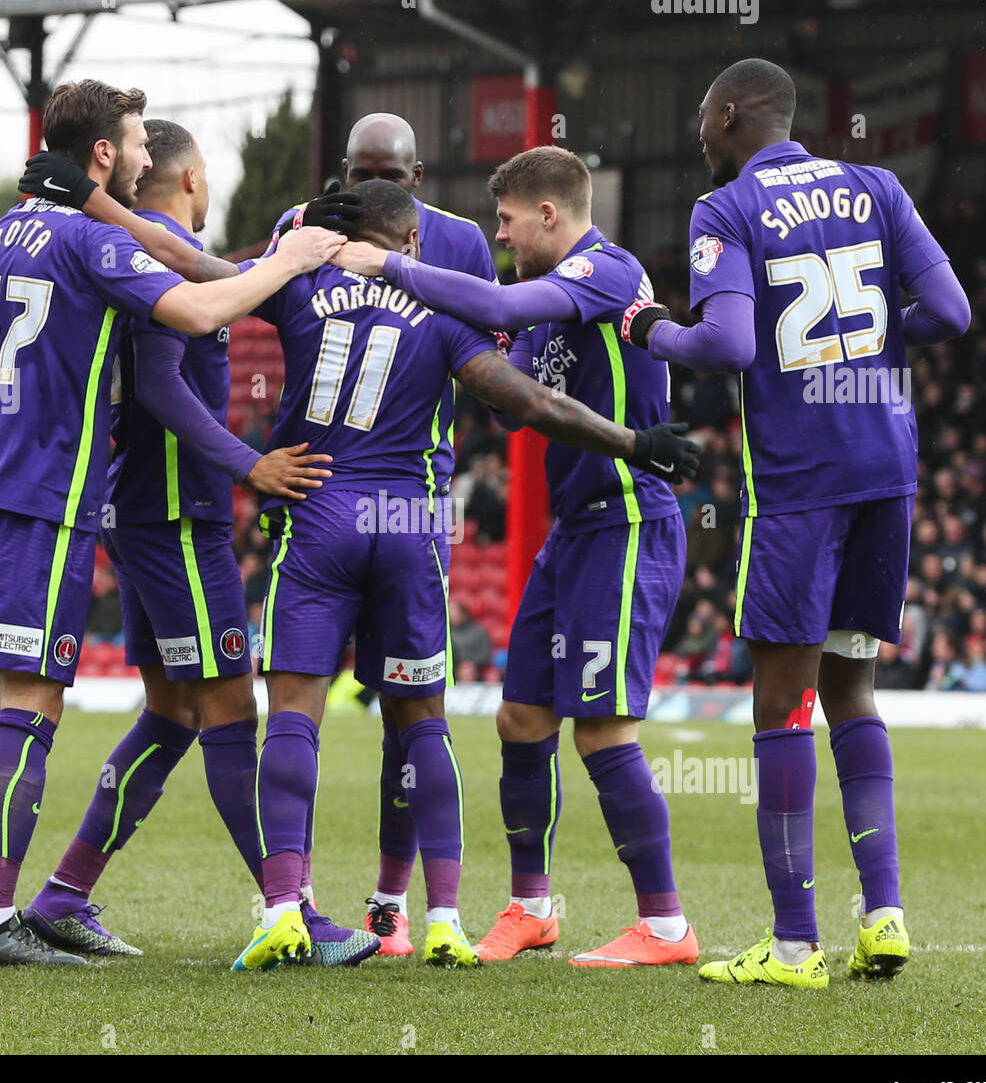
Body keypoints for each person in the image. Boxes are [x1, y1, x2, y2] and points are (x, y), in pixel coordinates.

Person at [0, 79, 344, 968]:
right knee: (33, 703)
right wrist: (288, 262)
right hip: (47, 493)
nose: (148, 157)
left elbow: (165, 252)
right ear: (103, 156)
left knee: (7, 698)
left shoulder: (5, 229)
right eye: (136, 143)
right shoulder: (88, 240)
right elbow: (195, 306)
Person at [242, 177, 696, 971]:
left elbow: (206, 275)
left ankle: (664, 924)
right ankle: (510, 908)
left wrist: (350, 266)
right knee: (510, 719)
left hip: (618, 520)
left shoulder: (606, 270)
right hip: (495, 528)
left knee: (598, 729)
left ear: (549, 211)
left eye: (509, 220)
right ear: (411, 235)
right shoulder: (486, 306)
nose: (502, 237)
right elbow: (516, 395)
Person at [634, 58, 970, 987]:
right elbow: (951, 308)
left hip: (800, 484)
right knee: (853, 691)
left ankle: (793, 945)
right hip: (887, 472)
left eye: (704, 117)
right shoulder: (877, 186)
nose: (701, 134)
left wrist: (648, 328)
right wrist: (879, 338)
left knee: (781, 700)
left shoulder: (728, 209)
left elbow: (729, 344)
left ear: (733, 114)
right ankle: (887, 916)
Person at [272, 112, 501, 954]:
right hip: (396, 498)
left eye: (392, 175)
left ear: (418, 177)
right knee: (414, 711)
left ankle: (381, 906)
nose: (375, 187)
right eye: (361, 174)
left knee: (373, 709)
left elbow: (220, 297)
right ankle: (425, 914)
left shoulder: (450, 243)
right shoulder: (303, 230)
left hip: (366, 491)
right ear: (341, 173)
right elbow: (496, 362)